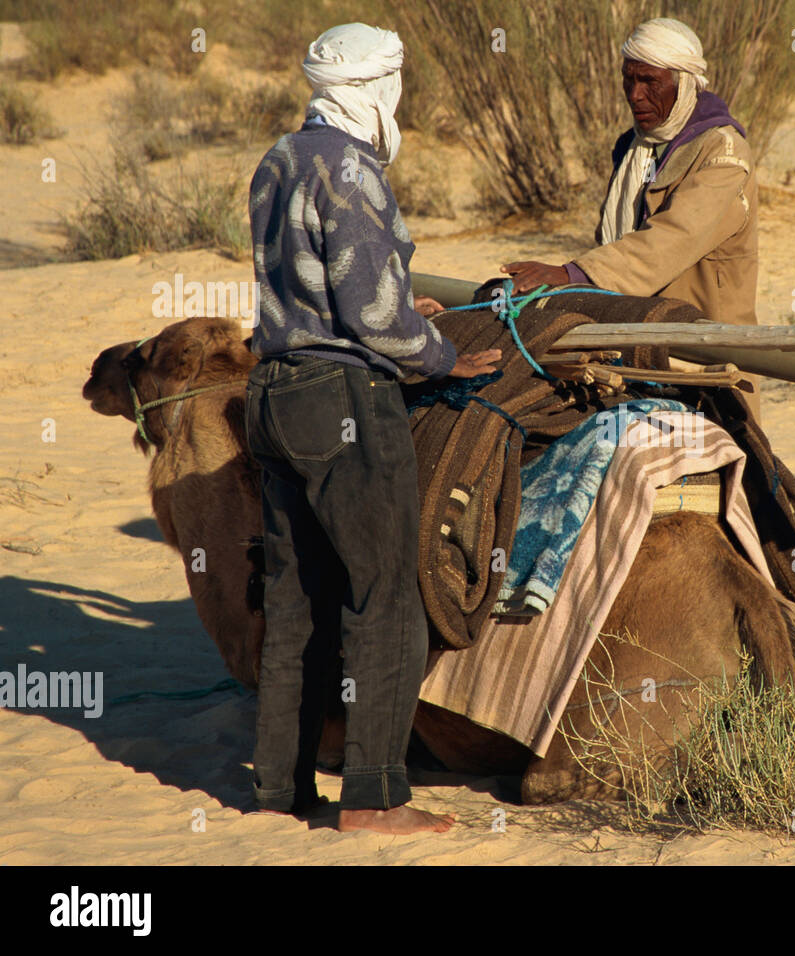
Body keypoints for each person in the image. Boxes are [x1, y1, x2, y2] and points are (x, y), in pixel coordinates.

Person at [245, 23, 499, 835]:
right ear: (376, 88)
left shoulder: (280, 159)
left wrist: (391, 312)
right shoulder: (353, 169)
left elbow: (322, 286)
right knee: (384, 595)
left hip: (274, 391)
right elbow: (372, 317)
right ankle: (375, 799)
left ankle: (279, 791)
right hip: (342, 402)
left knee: (295, 602)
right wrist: (439, 354)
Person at [502, 17, 761, 417]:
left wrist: (574, 274)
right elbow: (615, 240)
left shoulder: (723, 153)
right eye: (628, 80)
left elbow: (670, 240)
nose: (635, 95)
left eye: (649, 81)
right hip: (639, 342)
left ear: (685, 82)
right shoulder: (633, 147)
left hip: (704, 356)